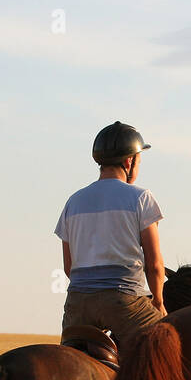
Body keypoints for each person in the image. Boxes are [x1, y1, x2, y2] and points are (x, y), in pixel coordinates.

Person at [55, 122, 166, 352]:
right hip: (125, 301)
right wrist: (158, 301)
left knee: (68, 354)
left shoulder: (73, 201)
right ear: (129, 161)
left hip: (79, 302)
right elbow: (154, 265)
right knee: (164, 350)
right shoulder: (141, 197)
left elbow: (69, 267)